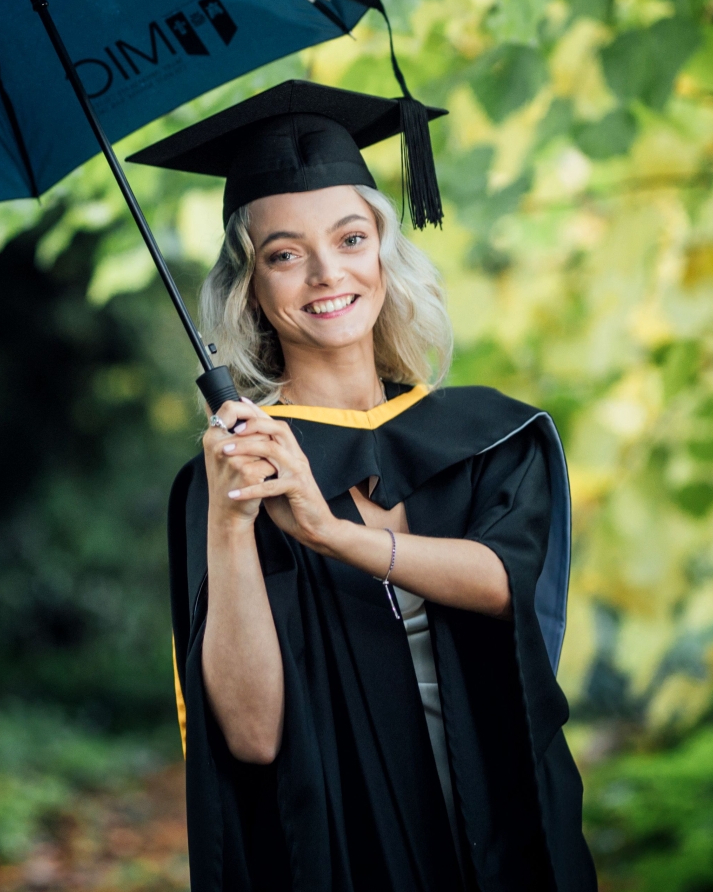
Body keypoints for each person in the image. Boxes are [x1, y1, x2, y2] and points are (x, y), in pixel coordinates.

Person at [129, 80, 594, 892]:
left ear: (384, 252)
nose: (323, 273)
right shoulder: (233, 476)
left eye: (349, 238)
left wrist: (333, 533)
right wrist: (235, 525)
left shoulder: (487, 438)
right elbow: (250, 735)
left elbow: (500, 581)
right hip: (347, 848)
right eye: (283, 254)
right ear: (252, 290)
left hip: (511, 824)